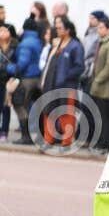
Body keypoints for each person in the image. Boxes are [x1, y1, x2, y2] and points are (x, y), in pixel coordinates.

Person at [40, 12, 85, 149]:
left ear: (68, 29)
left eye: (60, 28)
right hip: (51, 86)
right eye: (57, 27)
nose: (57, 30)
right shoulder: (57, 45)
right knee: (49, 111)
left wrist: (65, 77)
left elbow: (79, 67)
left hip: (67, 86)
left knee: (66, 113)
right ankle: (49, 140)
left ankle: (66, 141)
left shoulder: (75, 46)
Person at [5, 14, 44, 143]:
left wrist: (9, 68)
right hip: (37, 78)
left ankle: (26, 137)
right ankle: (37, 135)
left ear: (25, 28)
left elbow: (22, 64)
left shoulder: (25, 44)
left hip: (27, 78)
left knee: (19, 105)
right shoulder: (37, 41)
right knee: (31, 107)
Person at [89, 13, 109, 150]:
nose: (99, 30)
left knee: (105, 116)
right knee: (99, 115)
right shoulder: (104, 42)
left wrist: (98, 79)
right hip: (98, 86)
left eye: (101, 27)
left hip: (106, 87)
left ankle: (104, 143)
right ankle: (99, 141)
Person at [0, 21, 18, 140]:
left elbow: (16, 64)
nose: (0, 33)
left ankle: (4, 132)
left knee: (6, 106)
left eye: (3, 30)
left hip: (7, 81)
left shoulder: (15, 46)